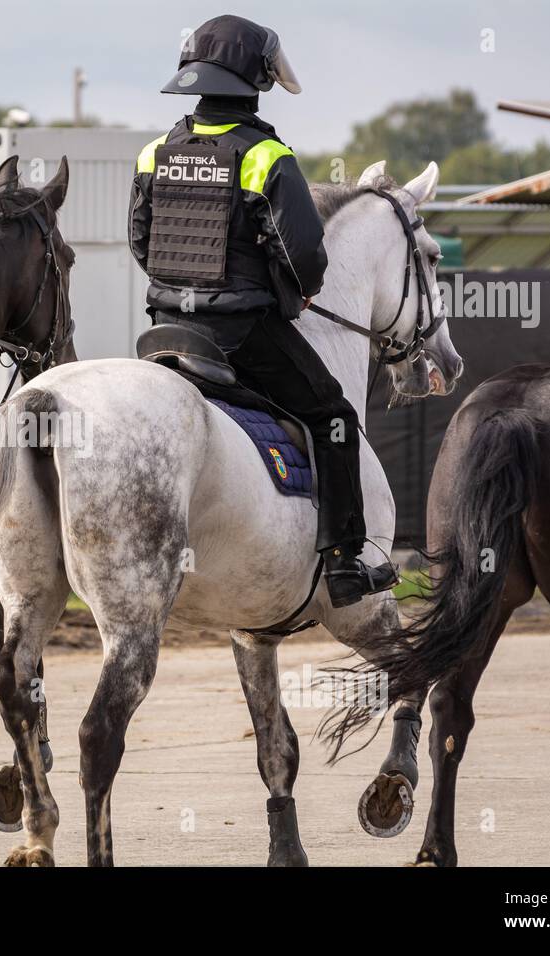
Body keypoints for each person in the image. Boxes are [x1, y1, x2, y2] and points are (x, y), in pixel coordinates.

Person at [128, 14, 396, 608]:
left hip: (166, 329)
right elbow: (303, 255)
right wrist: (294, 293)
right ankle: (347, 560)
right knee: (332, 414)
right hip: (242, 333)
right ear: (256, 79)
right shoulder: (265, 155)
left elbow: (141, 243)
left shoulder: (155, 152)